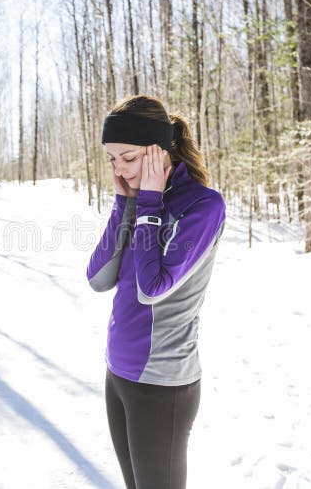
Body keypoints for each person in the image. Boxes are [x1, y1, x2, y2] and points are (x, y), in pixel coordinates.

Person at [85, 94, 226, 489]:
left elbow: (152, 289)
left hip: (162, 384)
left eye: (128, 158)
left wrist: (147, 203)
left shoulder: (201, 205)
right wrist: (124, 205)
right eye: (112, 159)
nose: (119, 168)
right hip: (118, 371)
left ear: (159, 150)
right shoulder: (137, 200)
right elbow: (98, 278)